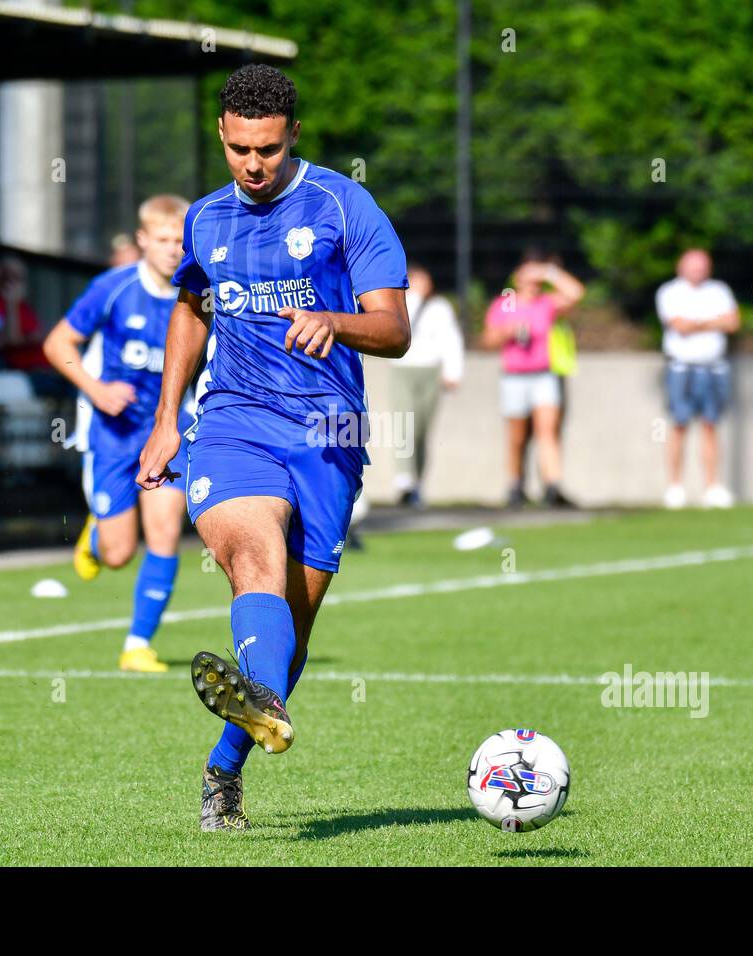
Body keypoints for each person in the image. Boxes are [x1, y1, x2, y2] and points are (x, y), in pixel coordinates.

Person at [135, 64, 411, 831]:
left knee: (288, 638)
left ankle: (224, 767)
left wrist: (338, 320)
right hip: (231, 423)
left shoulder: (343, 206)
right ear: (222, 137)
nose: (252, 166)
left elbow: (394, 328)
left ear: (293, 135)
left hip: (328, 433)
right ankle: (255, 713)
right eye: (237, 150)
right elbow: (192, 307)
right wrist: (168, 420)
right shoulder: (206, 218)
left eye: (266, 149)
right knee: (252, 560)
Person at [43, 194, 195, 674]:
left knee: (166, 531)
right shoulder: (112, 288)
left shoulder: (200, 293)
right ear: (143, 241)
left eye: (181, 241)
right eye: (164, 240)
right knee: (117, 554)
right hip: (112, 433)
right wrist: (97, 389)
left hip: (168, 431)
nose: (173, 250)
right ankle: (95, 539)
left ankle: (137, 644)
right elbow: (57, 342)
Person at [481, 252, 584, 508]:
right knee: (516, 436)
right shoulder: (505, 303)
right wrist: (508, 332)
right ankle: (515, 485)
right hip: (514, 377)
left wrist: (549, 272)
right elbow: (487, 341)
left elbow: (576, 293)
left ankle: (552, 485)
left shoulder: (546, 303)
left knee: (546, 431)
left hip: (543, 376)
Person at [655, 248, 740, 509]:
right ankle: (675, 487)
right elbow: (679, 326)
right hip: (682, 369)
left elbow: (733, 322)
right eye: (693, 266)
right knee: (679, 425)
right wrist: (713, 321)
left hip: (713, 368)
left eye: (702, 266)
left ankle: (712, 487)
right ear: (681, 266)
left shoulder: (719, 290)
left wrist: (696, 323)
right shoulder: (670, 292)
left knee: (710, 426)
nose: (698, 271)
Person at [388, 262, 463, 506]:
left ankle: (416, 482)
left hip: (429, 372)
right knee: (404, 426)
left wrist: (453, 372)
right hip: (404, 370)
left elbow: (451, 340)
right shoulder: (401, 302)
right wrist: (414, 295)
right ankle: (403, 480)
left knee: (421, 430)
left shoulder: (440, 307)